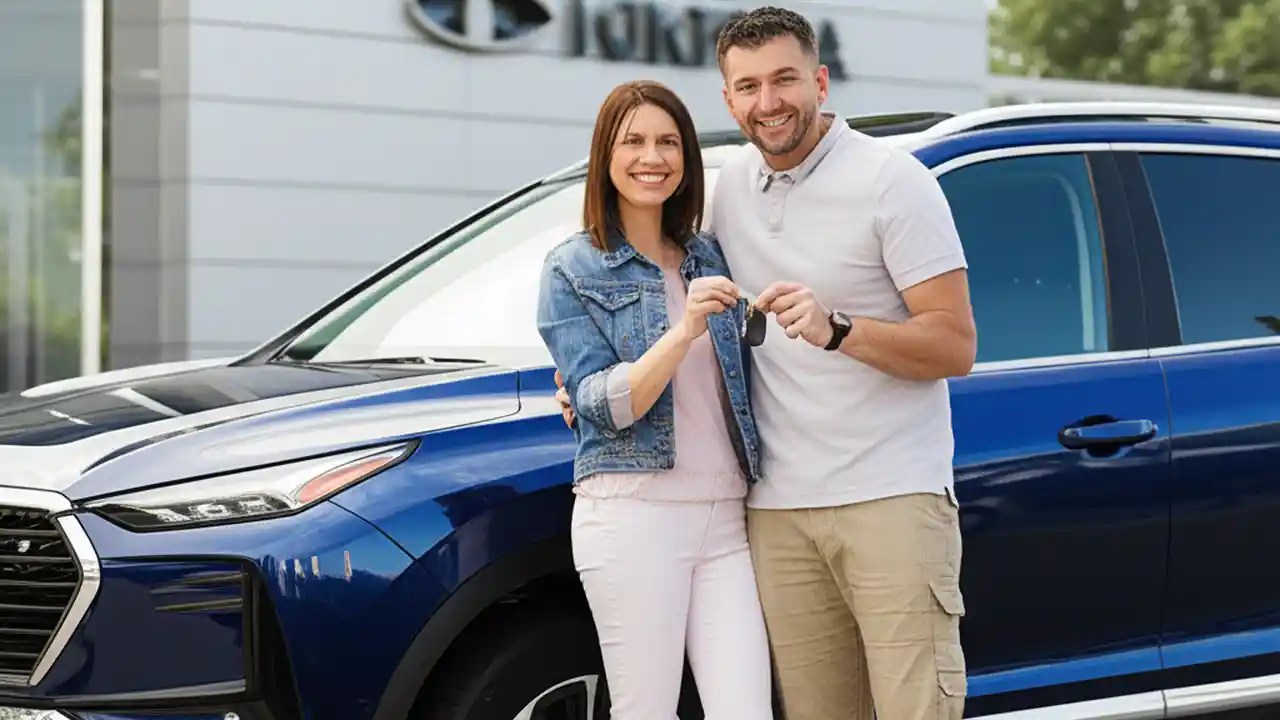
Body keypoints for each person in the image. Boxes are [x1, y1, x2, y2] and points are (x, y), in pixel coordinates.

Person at [557, 7, 978, 720]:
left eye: (785, 80)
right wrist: (586, 386)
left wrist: (838, 328)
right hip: (773, 511)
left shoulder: (892, 180)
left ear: (818, 81)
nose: (769, 102)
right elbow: (669, 313)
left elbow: (954, 345)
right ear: (728, 100)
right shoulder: (728, 194)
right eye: (748, 86)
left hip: (890, 497)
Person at [535, 79, 774, 719]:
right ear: (606, 155)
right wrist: (682, 331)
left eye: (669, 141)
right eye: (634, 141)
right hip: (634, 518)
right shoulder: (572, 269)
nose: (653, 157)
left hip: (726, 517)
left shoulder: (707, 255)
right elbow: (605, 406)